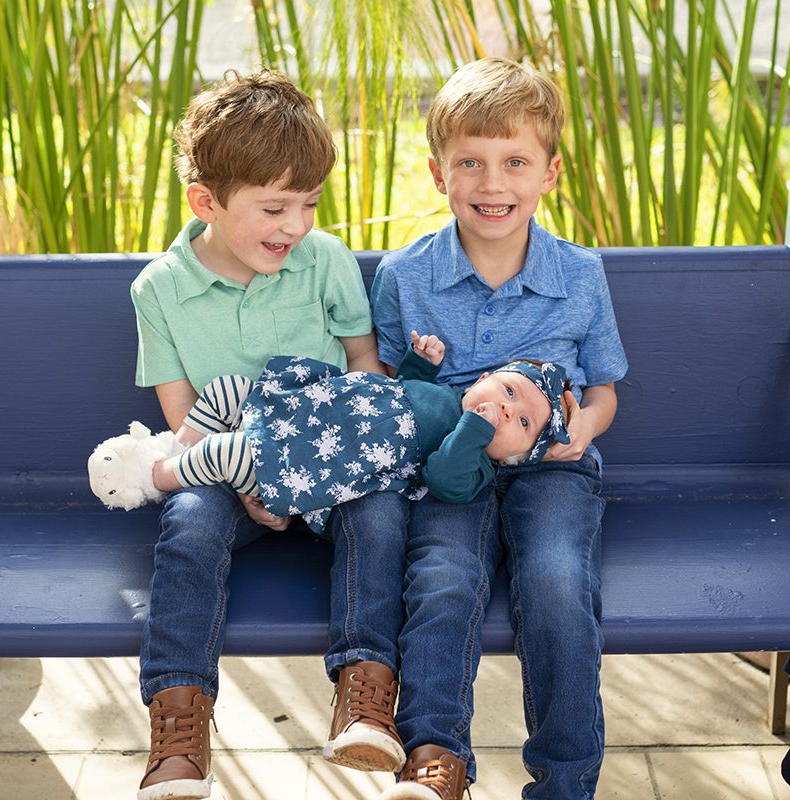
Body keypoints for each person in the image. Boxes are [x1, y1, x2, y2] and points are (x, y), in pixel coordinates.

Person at [129, 69, 409, 800]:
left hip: (326, 455)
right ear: (206, 203)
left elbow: (362, 365)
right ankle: (179, 724)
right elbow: (184, 421)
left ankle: (365, 693)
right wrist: (250, 484)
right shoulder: (159, 290)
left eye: (309, 204)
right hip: (227, 464)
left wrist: (350, 452)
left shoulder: (325, 261)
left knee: (379, 513)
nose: (295, 226)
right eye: (276, 207)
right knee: (188, 523)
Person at [370, 57, 629, 799]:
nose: (493, 184)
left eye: (515, 161)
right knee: (443, 583)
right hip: (450, 468)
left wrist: (583, 434)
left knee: (555, 580)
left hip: (553, 467)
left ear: (549, 174)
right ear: (437, 173)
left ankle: (566, 780)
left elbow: (605, 391)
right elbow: (392, 385)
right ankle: (435, 757)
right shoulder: (405, 275)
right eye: (471, 164)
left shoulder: (579, 274)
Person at [140, 332, 570, 532]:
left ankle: (154, 476)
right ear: (482, 381)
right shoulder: (445, 394)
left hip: (314, 456)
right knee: (227, 390)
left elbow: (444, 475)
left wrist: (476, 429)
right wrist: (421, 364)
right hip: (301, 414)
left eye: (524, 423)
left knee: (228, 452)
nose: (508, 410)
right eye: (509, 390)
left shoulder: (475, 466)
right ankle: (177, 449)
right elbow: (401, 392)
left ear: (517, 456)